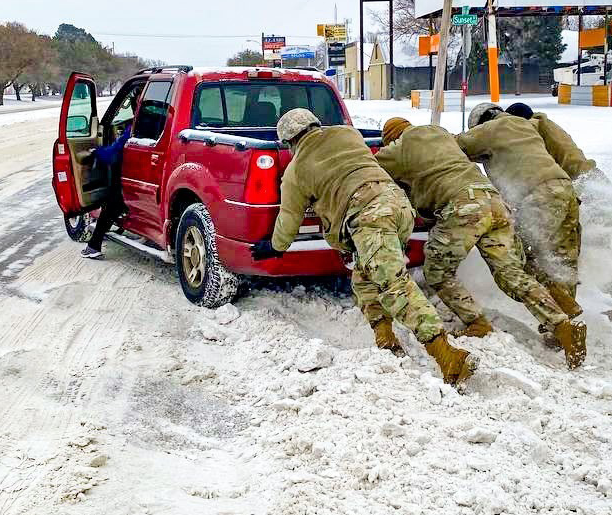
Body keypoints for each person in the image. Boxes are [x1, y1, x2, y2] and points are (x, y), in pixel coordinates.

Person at [251, 109, 474, 385]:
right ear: (315, 125)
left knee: (394, 286)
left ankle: (448, 356)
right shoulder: (348, 134)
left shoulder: (296, 170)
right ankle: (385, 339)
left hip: (370, 218)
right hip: (399, 206)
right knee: (365, 278)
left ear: (289, 142)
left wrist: (275, 246)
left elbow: (289, 217)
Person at [377, 118, 586, 370]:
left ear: (391, 138)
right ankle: (563, 326)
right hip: (495, 203)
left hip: (464, 207)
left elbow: (369, 168)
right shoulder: (442, 135)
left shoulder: (399, 147)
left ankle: (476, 322)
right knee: (511, 273)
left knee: (437, 271)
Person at [505, 102, 612, 322]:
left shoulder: (530, 129)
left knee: (589, 255)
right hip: (594, 182)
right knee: (594, 249)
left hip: (583, 188)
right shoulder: (544, 124)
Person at [458, 104, 584, 324]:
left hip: (537, 195)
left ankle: (557, 314)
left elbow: (452, 146)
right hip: (566, 190)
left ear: (479, 124)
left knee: (522, 255)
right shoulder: (524, 125)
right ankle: (567, 317)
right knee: (563, 260)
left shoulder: (490, 130)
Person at [81, 120, 134, 260]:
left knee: (111, 205)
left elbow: (112, 154)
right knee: (114, 204)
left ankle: (93, 247)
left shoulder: (136, 126)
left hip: (130, 181)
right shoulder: (160, 119)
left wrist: (96, 151)